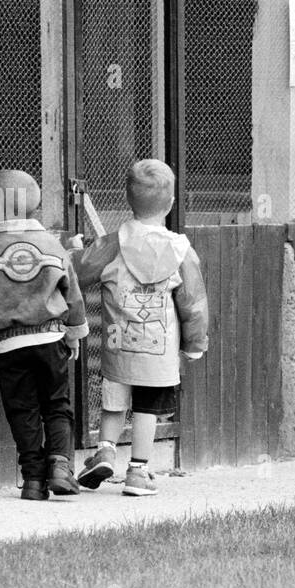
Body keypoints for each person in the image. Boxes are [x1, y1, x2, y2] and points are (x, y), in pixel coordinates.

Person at [0, 170, 89, 500]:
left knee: (22, 411)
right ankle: (60, 467)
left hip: (10, 346)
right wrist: (74, 334)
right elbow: (74, 295)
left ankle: (33, 481)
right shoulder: (52, 246)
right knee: (57, 406)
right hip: (50, 338)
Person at [74, 160, 209, 496]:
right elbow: (193, 302)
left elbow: (77, 271)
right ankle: (138, 472)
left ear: (127, 199)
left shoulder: (112, 244)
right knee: (147, 407)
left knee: (114, 400)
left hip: (118, 345)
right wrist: (194, 344)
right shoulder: (180, 251)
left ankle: (104, 450)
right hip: (158, 350)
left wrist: (76, 249)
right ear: (171, 203)